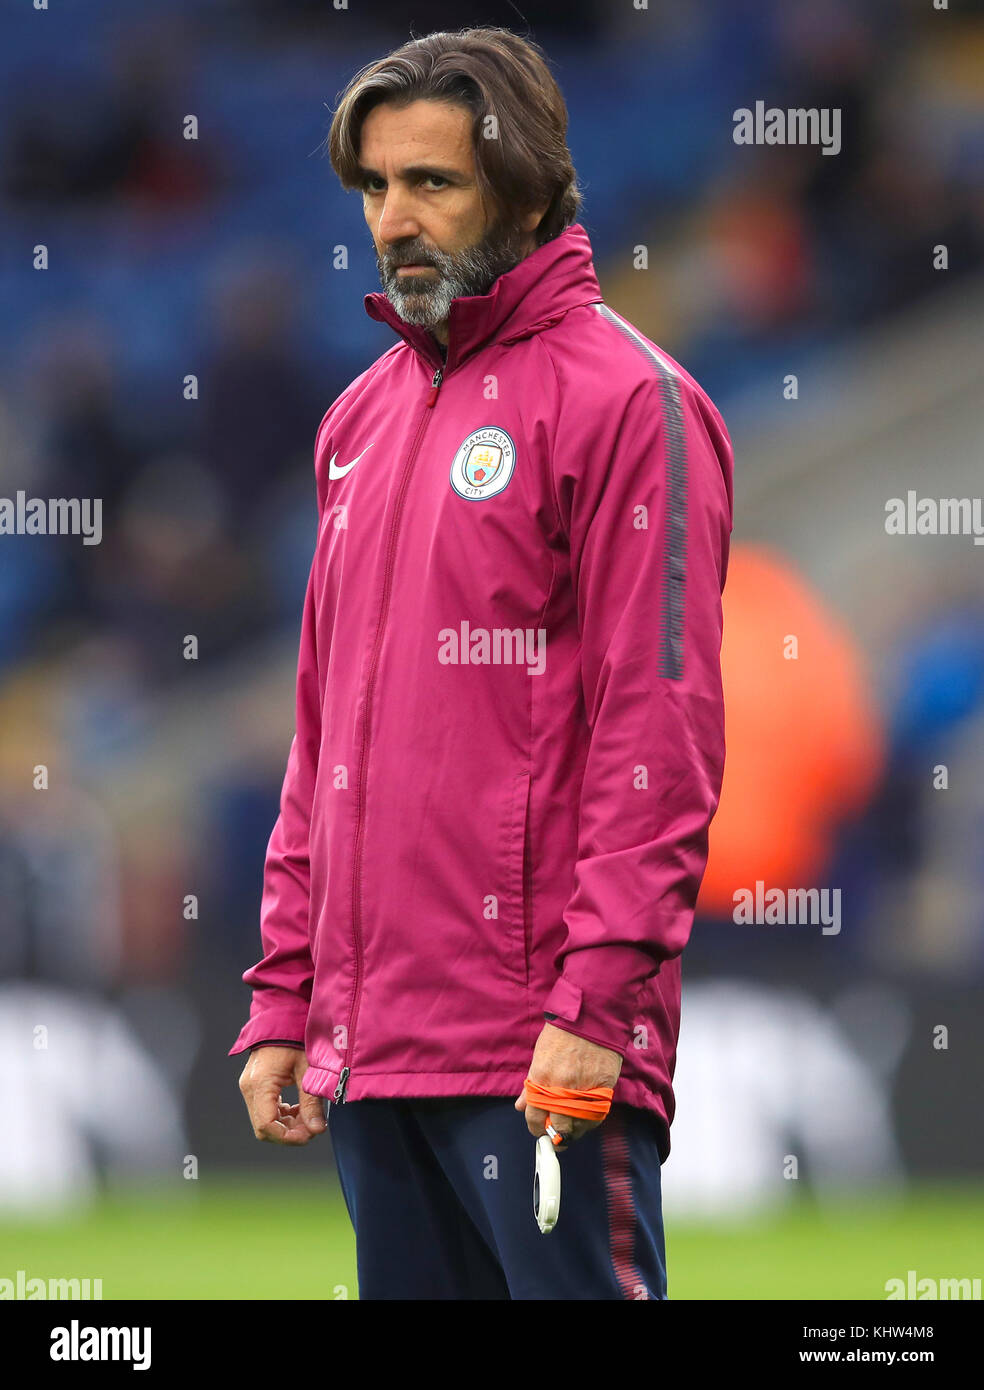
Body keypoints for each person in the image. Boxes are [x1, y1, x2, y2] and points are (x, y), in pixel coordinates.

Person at [231, 26, 734, 1300]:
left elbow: (658, 736)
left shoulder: (633, 403)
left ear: (522, 189)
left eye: (433, 184)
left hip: (538, 1049)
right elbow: (321, 741)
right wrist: (287, 993)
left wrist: (594, 1008)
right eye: (376, 187)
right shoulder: (358, 420)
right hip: (370, 1046)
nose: (394, 219)